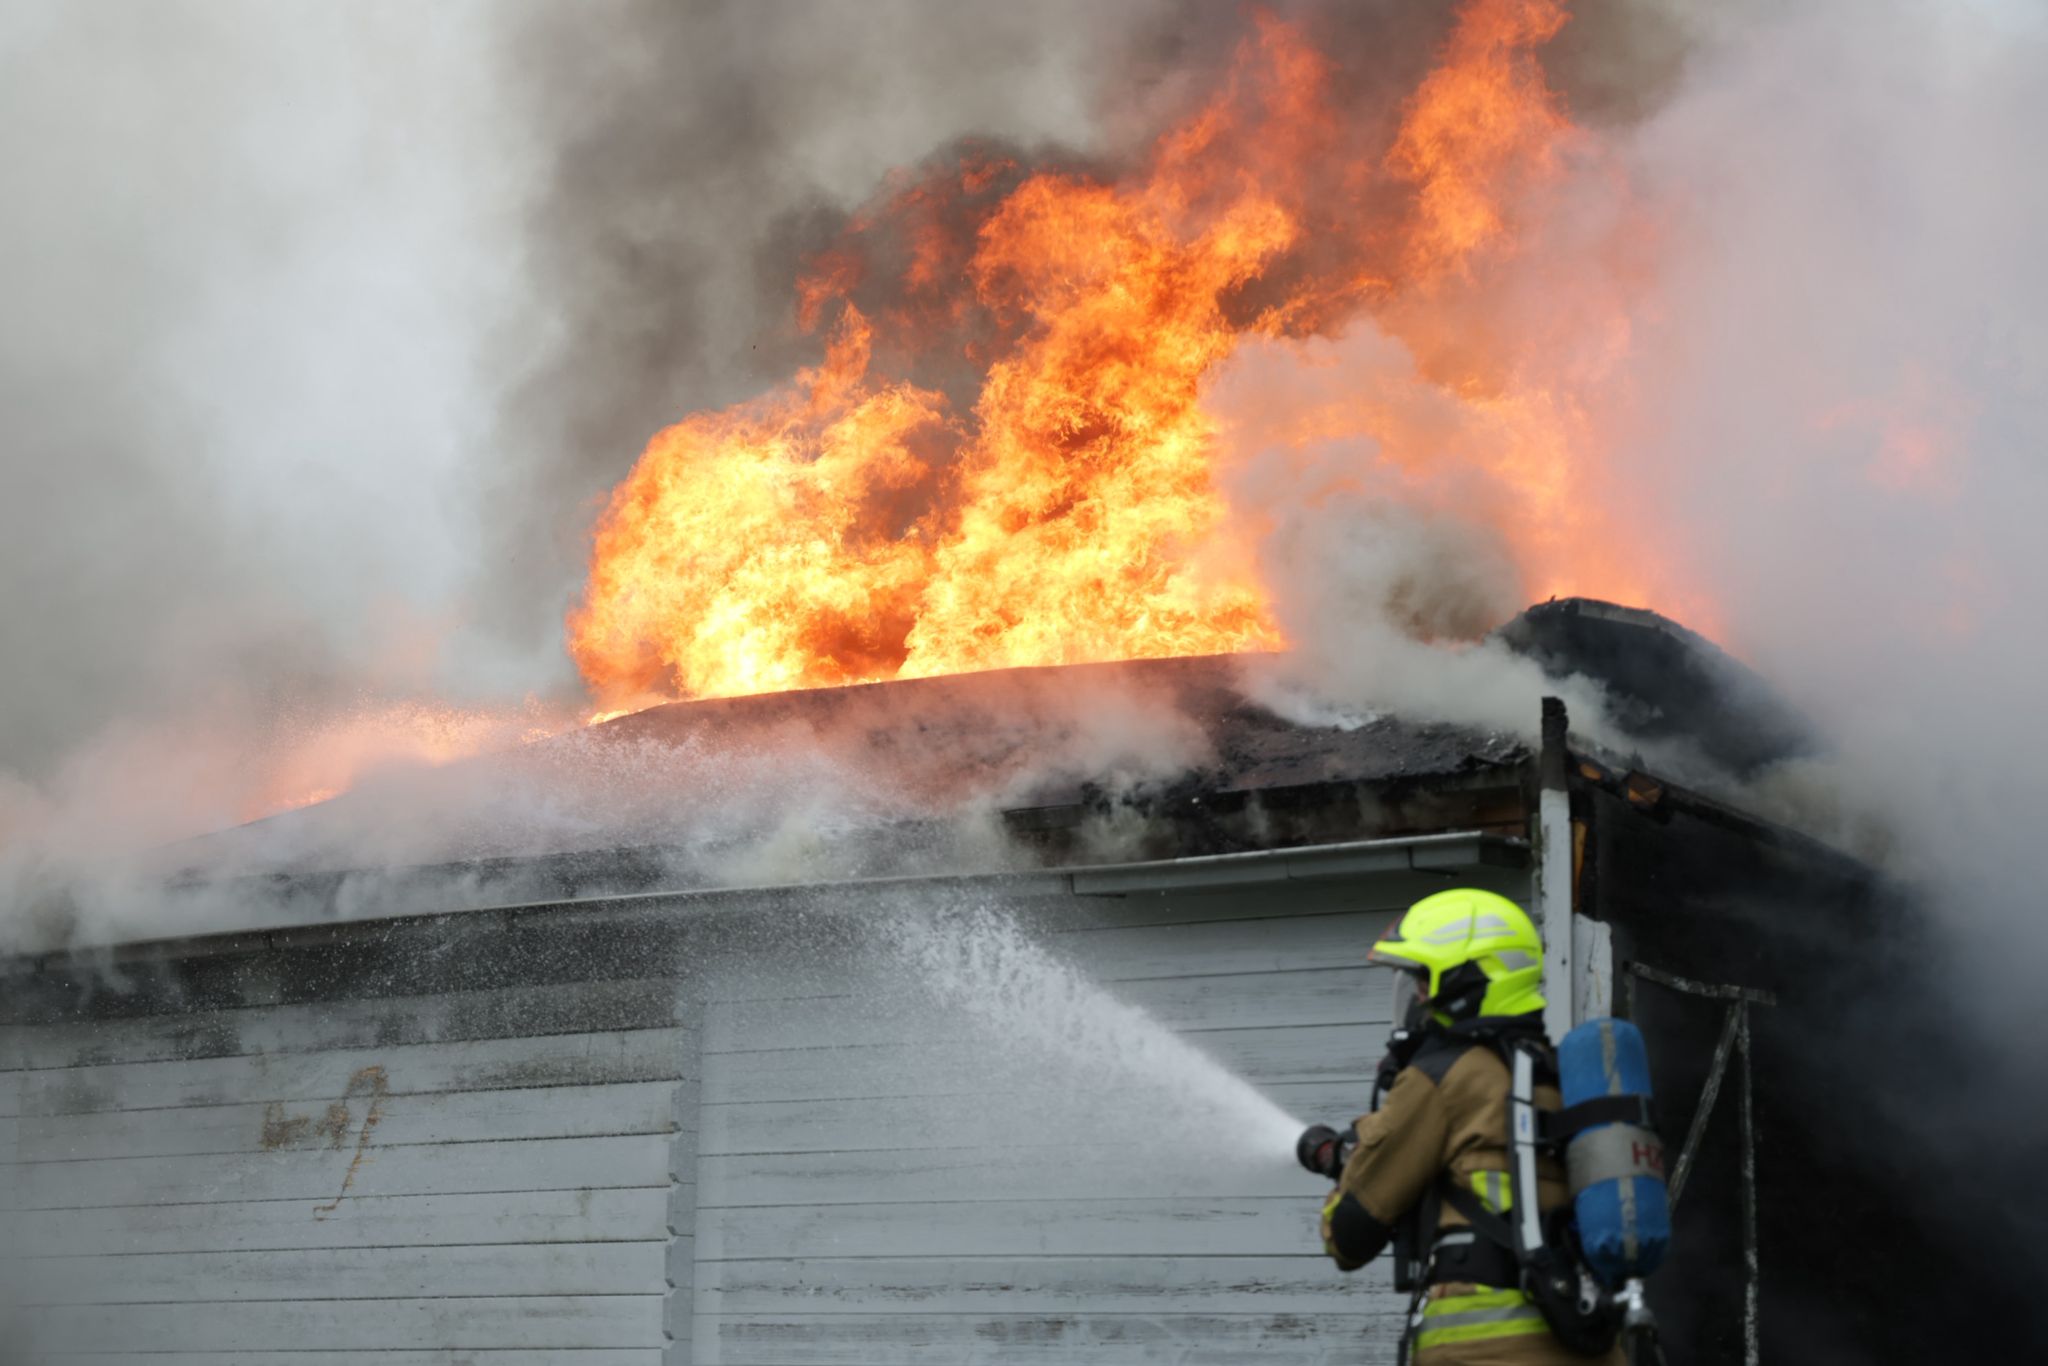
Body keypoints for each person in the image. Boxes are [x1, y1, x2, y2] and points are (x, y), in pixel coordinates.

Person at [1316, 888, 1624, 1365]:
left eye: (1423, 981)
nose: (1415, 998)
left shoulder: (1441, 1075)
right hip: (1589, 1343)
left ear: (1467, 980)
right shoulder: (1559, 1073)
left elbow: (1349, 1235)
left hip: (1482, 1351)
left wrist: (1345, 1160)